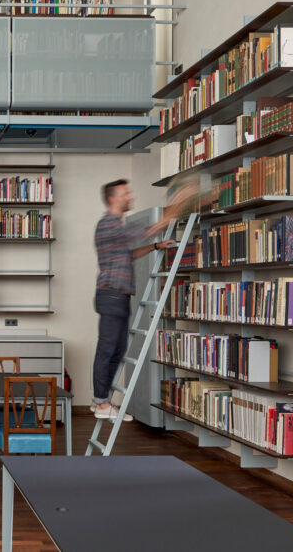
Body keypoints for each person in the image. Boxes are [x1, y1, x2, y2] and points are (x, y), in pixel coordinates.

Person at [92, 179, 197, 421]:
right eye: (125, 194)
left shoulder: (116, 227)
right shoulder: (109, 224)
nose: (130, 197)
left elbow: (129, 253)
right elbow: (146, 230)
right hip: (111, 294)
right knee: (107, 349)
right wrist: (178, 204)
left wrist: (155, 246)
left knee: (116, 350)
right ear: (112, 199)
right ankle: (101, 402)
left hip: (117, 295)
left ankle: (102, 400)